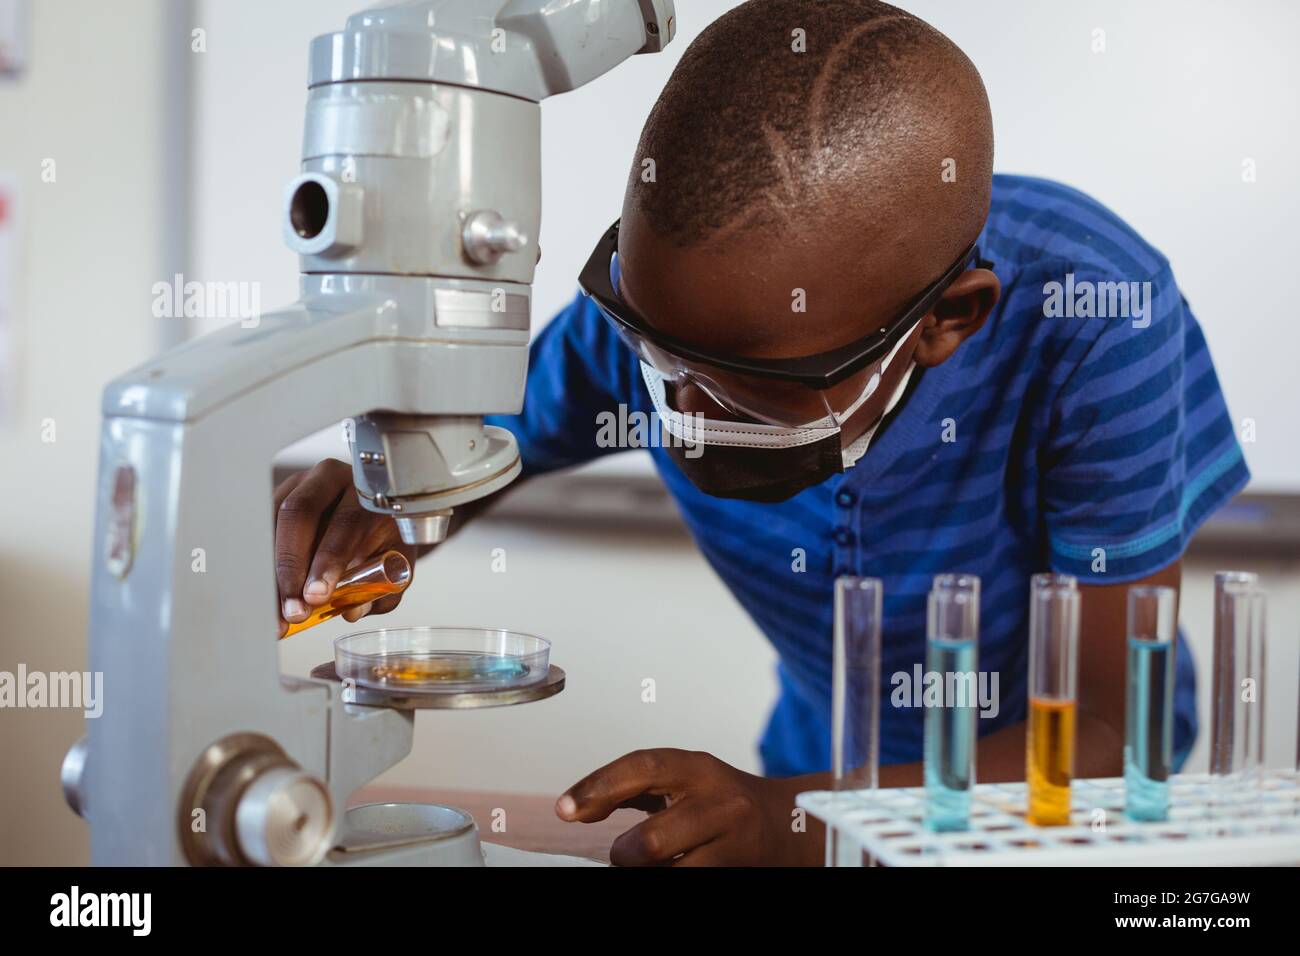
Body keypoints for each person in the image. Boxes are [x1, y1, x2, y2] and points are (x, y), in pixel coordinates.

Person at [272, 0, 1249, 865]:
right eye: (659, 357)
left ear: (950, 319)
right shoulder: (660, 321)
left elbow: (1113, 734)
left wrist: (797, 821)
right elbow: (457, 459)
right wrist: (376, 500)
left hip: (1054, 820)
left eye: (753, 387)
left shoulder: (1099, 319)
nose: (683, 413)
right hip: (809, 779)